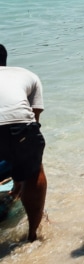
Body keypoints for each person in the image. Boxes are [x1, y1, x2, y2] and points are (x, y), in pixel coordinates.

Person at [0, 45, 46, 242]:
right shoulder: (27, 75)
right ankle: (33, 234)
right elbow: (34, 121)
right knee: (34, 167)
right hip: (20, 127)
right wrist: (22, 174)